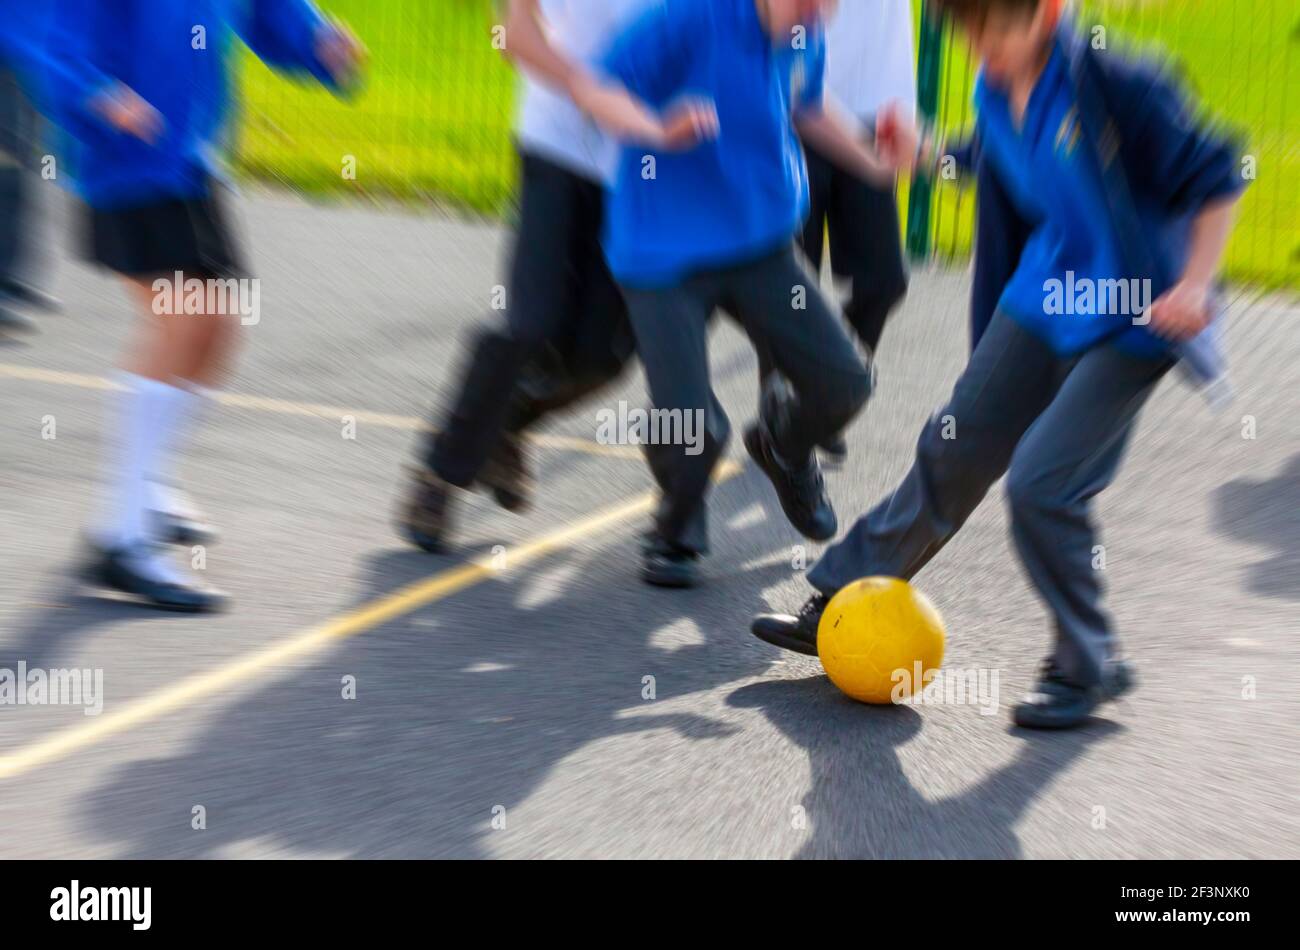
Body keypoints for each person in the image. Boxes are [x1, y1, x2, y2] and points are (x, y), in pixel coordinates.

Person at [751, 0, 1247, 728]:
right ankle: (843, 594)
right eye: (968, 34)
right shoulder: (996, 84)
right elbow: (993, 153)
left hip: (1134, 319)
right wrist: (923, 154)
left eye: (994, 32)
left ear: (1048, 12)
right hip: (1043, 297)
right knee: (952, 446)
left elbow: (1219, 170)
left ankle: (1089, 662)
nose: (980, 49)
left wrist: (1196, 284)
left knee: (1044, 484)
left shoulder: (1117, 78)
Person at [38, 0, 363, 612]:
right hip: (128, 164)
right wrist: (101, 96)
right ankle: (123, 535)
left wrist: (323, 48)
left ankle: (146, 490)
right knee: (185, 320)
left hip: (189, 165)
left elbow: (276, 20)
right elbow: (58, 44)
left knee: (215, 329)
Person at [589, 0, 911, 587]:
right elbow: (598, 90)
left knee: (846, 382)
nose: (820, 13)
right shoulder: (686, 18)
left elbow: (807, 105)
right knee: (693, 427)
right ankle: (675, 529)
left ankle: (781, 443)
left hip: (759, 246)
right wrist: (659, 129)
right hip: (664, 254)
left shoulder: (802, 29)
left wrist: (872, 160)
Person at [398, 0, 664, 553]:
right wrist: (591, 90)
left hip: (634, 169)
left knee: (603, 355)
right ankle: (438, 476)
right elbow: (516, 36)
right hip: (555, 148)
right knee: (530, 321)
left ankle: (506, 424)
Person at [769, 0, 917, 464]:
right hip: (797, 106)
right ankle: (784, 415)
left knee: (885, 281)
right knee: (793, 285)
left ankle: (821, 397)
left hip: (875, 112)